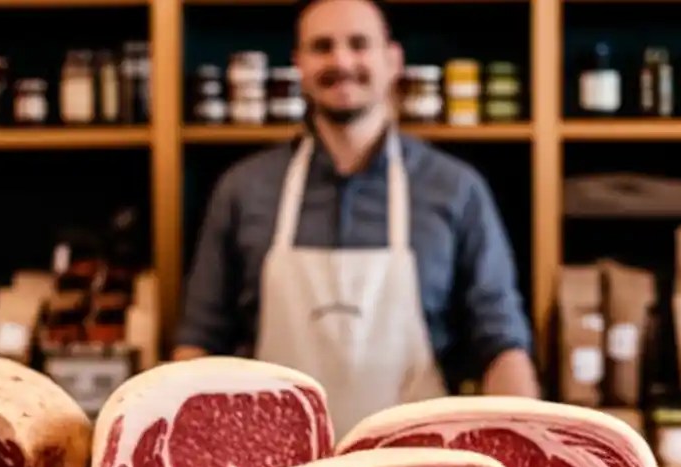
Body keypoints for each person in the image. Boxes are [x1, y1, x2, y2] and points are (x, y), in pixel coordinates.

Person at [173, 0, 540, 434]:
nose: (342, 61)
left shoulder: (456, 190)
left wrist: (524, 439)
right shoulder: (243, 189)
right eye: (322, 47)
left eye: (359, 44)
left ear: (393, 60)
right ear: (299, 65)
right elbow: (197, 345)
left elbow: (500, 343)